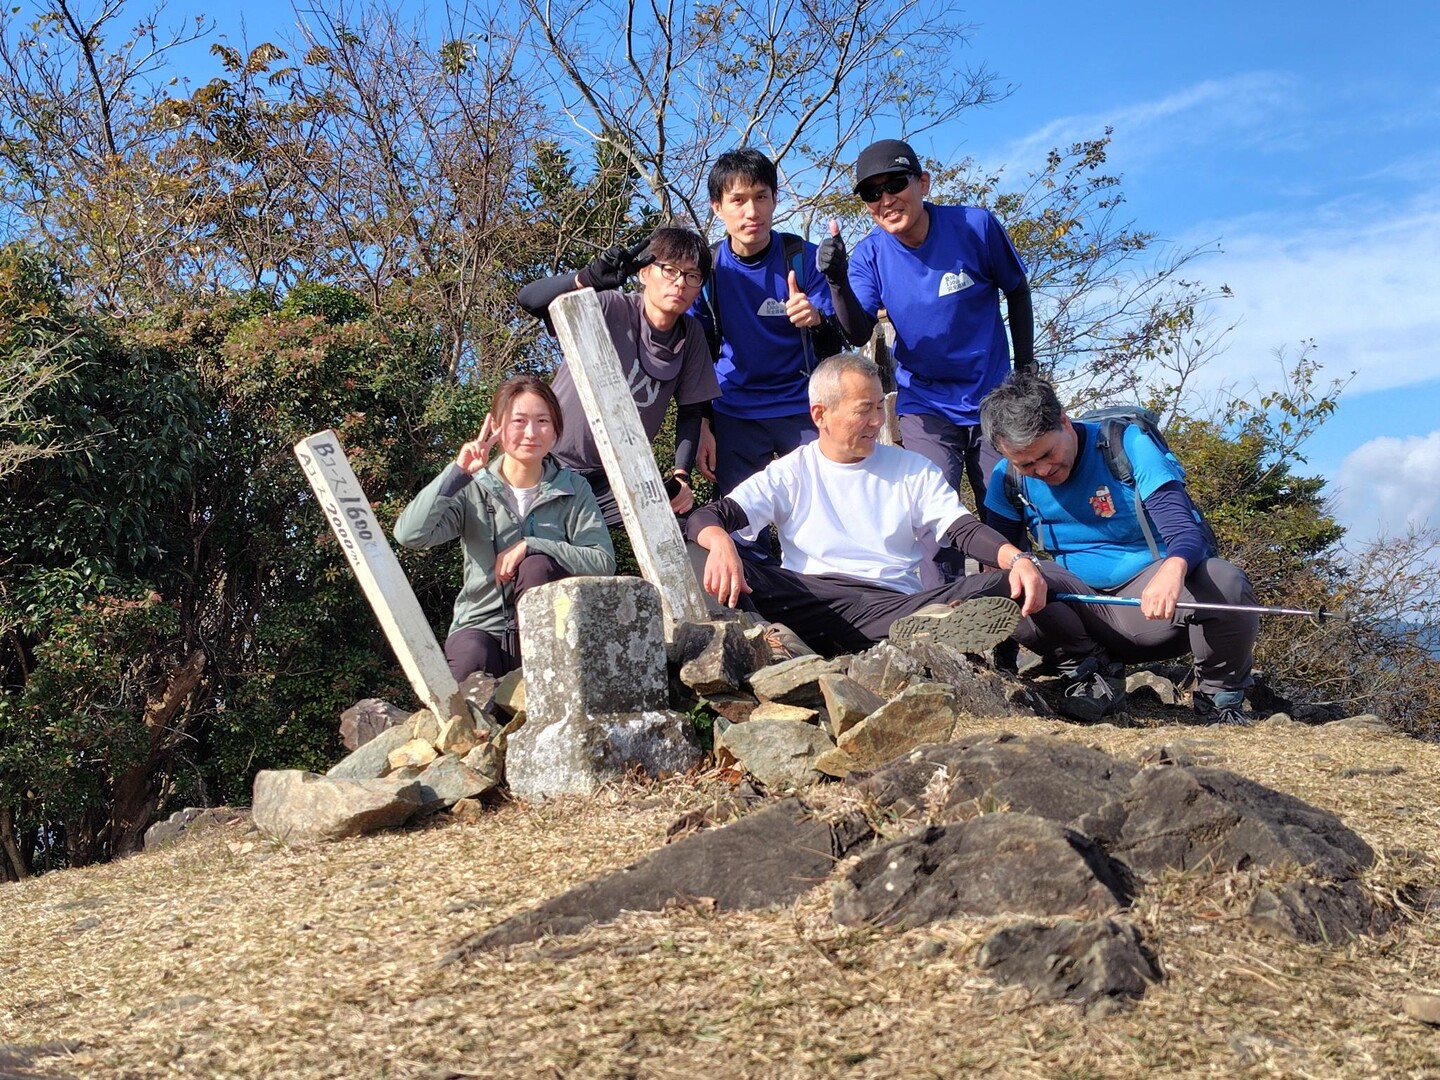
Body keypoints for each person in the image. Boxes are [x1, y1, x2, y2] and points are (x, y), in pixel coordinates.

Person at [685, 354, 1118, 685]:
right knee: (697, 556)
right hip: (811, 598)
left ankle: (910, 635)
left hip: (894, 601)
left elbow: (959, 529)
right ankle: (779, 641)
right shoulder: (791, 471)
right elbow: (706, 515)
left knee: (1006, 580)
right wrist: (721, 541)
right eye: (864, 410)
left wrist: (1014, 557)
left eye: (880, 407)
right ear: (821, 414)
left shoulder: (911, 469)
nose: (877, 421)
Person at [979, 371, 1259, 726]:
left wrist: (1172, 571)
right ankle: (1089, 675)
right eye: (1027, 464)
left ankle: (1219, 696)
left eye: (1047, 454)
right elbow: (998, 558)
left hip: (1154, 610)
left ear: (1064, 420)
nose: (1043, 469)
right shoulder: (1007, 479)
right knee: (1017, 576)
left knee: (1225, 579)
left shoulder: (1127, 445)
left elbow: (1186, 533)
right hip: (1074, 612)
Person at [820, 137, 1035, 585]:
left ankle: (1018, 642)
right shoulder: (869, 256)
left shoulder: (974, 226)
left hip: (994, 398)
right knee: (933, 519)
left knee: (1003, 516)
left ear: (923, 182)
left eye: (895, 183)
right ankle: (947, 640)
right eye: (871, 193)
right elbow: (858, 331)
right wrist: (837, 281)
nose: (886, 199)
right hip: (926, 404)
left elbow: (1016, 289)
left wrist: (1026, 374)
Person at [394, 376, 616, 681]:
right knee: (469, 666)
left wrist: (533, 544)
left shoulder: (573, 488)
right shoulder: (473, 486)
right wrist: (457, 473)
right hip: (481, 629)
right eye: (519, 421)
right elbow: (410, 535)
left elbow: (603, 562)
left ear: (555, 429)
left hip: (550, 634)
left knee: (537, 565)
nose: (531, 433)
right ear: (497, 426)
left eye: (542, 421)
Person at [517, 227, 720, 527]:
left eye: (692, 276)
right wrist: (586, 278)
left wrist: (681, 475)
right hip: (550, 462)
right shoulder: (611, 306)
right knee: (536, 557)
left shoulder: (691, 336)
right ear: (644, 273)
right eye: (669, 270)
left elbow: (690, 411)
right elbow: (529, 299)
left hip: (615, 479)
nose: (679, 283)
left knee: (680, 522)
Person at [693, 148, 845, 525]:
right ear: (717, 207)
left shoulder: (803, 258)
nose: (751, 212)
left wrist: (815, 320)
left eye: (761, 197)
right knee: (743, 529)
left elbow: (838, 342)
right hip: (734, 411)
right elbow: (694, 356)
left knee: (822, 518)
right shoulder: (706, 270)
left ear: (775, 199)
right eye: (738, 200)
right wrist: (701, 425)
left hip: (802, 408)